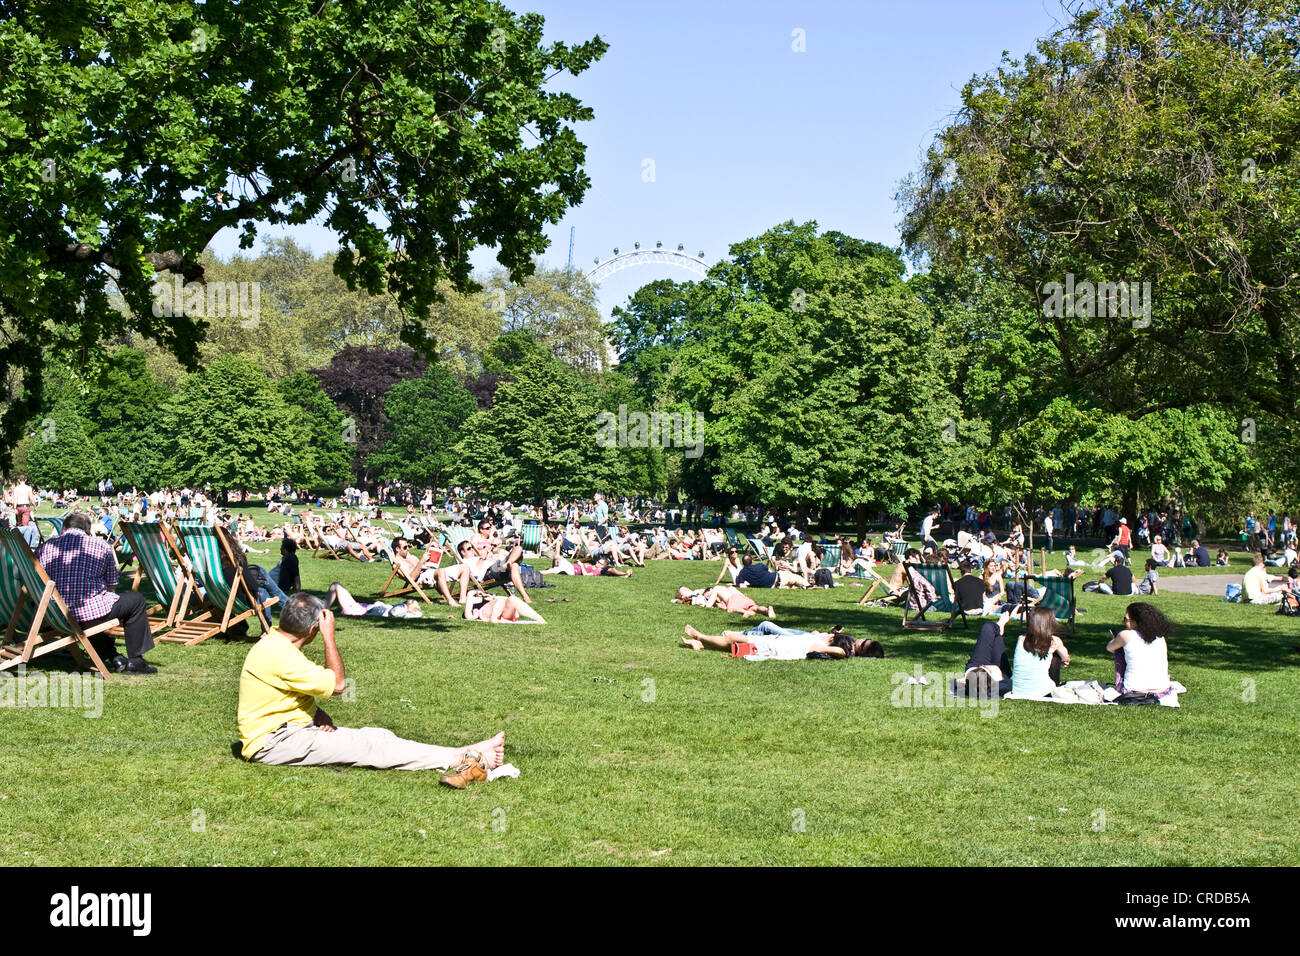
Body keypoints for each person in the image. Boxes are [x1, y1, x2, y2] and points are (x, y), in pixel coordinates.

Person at [237, 592, 504, 786]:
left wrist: (315, 713)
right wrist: (329, 637)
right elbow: (339, 685)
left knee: (377, 735)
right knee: (367, 746)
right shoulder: (282, 655)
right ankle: (459, 756)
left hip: (286, 732)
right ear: (312, 629)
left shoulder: (275, 644)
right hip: (275, 742)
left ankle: (458, 753)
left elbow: (283, 690)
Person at [35, 510, 155, 673]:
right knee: (135, 601)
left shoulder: (45, 547)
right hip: (87, 614)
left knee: (94, 610)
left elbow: (36, 582)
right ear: (88, 530)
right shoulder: (101, 546)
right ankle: (136, 661)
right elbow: (111, 586)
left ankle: (114, 657)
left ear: (64, 528)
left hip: (55, 614)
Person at [680, 622, 882, 659]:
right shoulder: (839, 643)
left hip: (782, 646)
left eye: (864, 643)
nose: (862, 639)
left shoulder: (843, 651)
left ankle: (699, 637)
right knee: (733, 646)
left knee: (732, 640)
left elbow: (839, 652)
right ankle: (701, 643)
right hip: (784, 644)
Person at [1106, 603, 1174, 695]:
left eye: (1125, 619)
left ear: (1135, 622)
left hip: (1134, 690)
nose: (1123, 622)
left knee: (1118, 651)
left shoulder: (1126, 635)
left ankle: (1120, 684)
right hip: (1162, 690)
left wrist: (1115, 640)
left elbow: (1109, 648)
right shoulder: (1160, 637)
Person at [1010, 606, 1071, 697]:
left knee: (1052, 652)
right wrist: (1061, 657)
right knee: (1056, 655)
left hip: (1017, 689)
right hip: (1042, 691)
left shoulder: (1021, 639)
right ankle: (1056, 684)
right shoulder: (1054, 641)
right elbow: (1065, 658)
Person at [958, 610, 1014, 698]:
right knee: (996, 637)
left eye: (986, 667)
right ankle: (998, 630)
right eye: (990, 670)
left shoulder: (980, 672)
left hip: (975, 669)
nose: (989, 666)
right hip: (1002, 673)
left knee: (988, 627)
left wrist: (967, 678)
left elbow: (955, 683)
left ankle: (998, 627)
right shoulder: (1004, 685)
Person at [325, 582, 422, 619]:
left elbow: (394, 612)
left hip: (358, 609)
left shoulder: (399, 610)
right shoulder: (398, 610)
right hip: (360, 606)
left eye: (405, 602)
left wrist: (403, 606)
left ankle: (322, 611)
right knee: (336, 586)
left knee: (336, 586)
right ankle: (322, 609)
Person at [462, 588, 547, 623]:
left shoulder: (493, 600)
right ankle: (493, 619)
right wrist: (472, 593)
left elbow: (506, 600)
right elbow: (468, 616)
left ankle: (539, 618)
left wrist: (492, 597)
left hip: (503, 613)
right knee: (501, 600)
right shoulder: (476, 608)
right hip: (491, 615)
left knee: (512, 598)